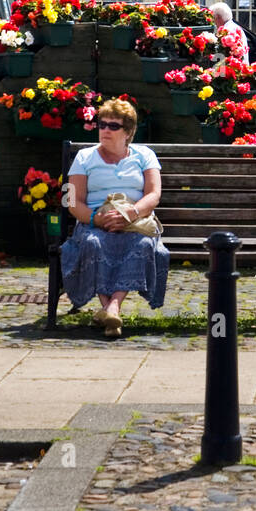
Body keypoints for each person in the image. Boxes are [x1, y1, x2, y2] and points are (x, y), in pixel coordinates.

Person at [61, 98, 165, 338]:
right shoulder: (84, 158)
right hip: (95, 221)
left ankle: (111, 306)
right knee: (93, 243)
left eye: (113, 126)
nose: (105, 130)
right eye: (102, 124)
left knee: (143, 243)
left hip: (134, 221)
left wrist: (130, 213)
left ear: (128, 132)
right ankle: (112, 311)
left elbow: (154, 194)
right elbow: (72, 202)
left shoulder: (145, 155)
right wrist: (97, 219)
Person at [210, 1, 250, 66]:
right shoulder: (234, 27)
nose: (213, 22)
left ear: (218, 17)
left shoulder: (227, 30)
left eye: (213, 18)